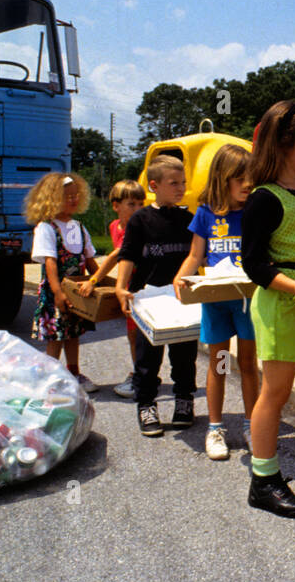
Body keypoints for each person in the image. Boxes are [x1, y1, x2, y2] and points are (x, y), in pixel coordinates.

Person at [240, 100, 295, 518]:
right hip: (281, 300)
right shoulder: (263, 198)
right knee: (275, 393)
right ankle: (263, 479)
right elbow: (254, 264)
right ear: (283, 144)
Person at [174, 144, 260, 461]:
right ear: (223, 180)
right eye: (241, 178)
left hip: (247, 301)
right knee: (219, 364)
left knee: (249, 365)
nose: (248, 184)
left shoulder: (253, 211)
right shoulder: (205, 212)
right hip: (216, 302)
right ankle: (215, 427)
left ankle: (253, 425)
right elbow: (196, 255)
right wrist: (179, 278)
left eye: (251, 177)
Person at [115, 156, 197, 437]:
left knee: (184, 356)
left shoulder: (189, 219)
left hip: (181, 300)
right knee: (147, 359)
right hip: (148, 300)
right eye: (173, 183)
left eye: (183, 182)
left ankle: (184, 400)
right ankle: (147, 405)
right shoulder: (140, 220)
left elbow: (198, 257)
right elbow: (128, 255)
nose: (180, 188)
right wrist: (121, 287)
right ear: (153, 185)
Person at [25, 172, 100, 392]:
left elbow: (89, 260)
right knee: (56, 335)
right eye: (67, 196)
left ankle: (74, 372)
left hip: (77, 292)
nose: (73, 199)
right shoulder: (46, 228)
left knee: (74, 333)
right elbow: (50, 262)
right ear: (52, 198)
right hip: (56, 292)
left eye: (76, 195)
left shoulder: (79, 227)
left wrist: (101, 281)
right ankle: (51, 377)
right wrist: (58, 292)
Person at [79, 179, 146, 398]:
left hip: (143, 285)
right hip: (128, 286)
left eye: (140, 204)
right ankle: (139, 372)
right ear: (116, 205)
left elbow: (116, 255)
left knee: (139, 333)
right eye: (131, 204)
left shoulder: (140, 228)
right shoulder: (114, 227)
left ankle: (142, 376)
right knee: (132, 333)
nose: (137, 209)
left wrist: (94, 280)